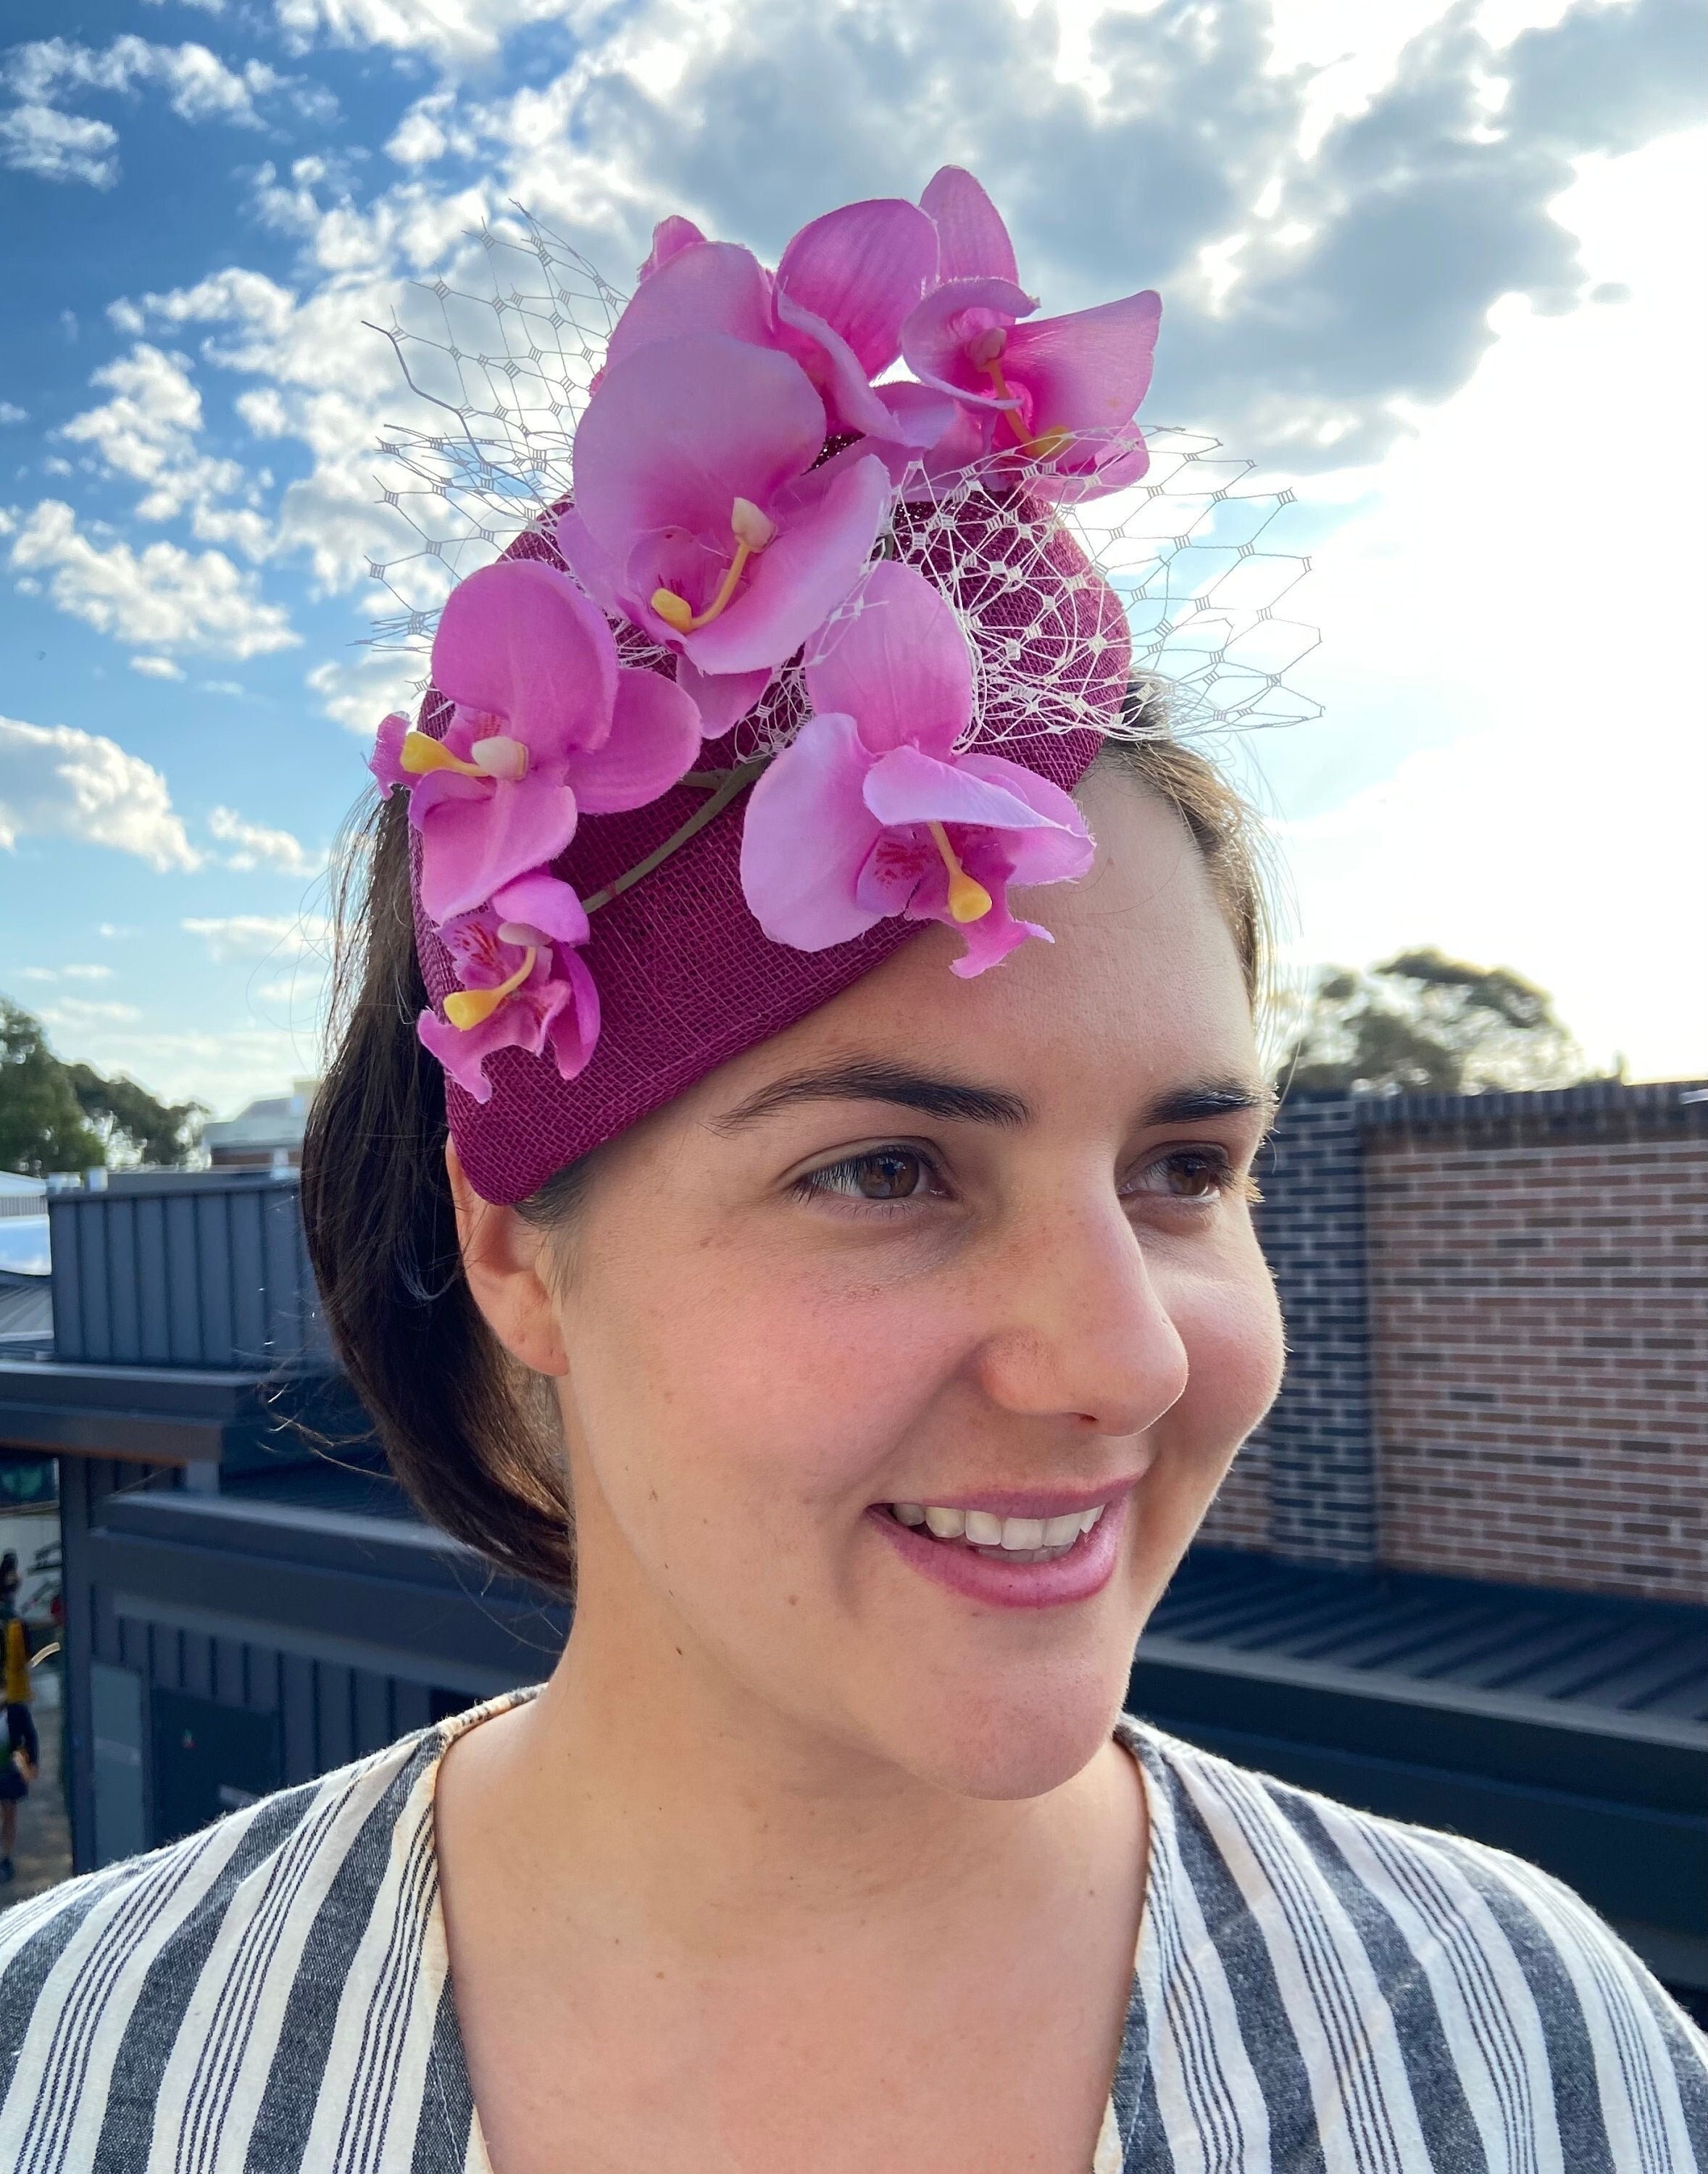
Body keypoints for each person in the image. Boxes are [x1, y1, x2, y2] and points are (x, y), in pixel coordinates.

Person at [0, 168, 1701, 2172]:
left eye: (1181, 1167)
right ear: (513, 1247)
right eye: (887, 1170)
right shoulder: (89, 2075)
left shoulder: (1523, 2056)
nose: (1126, 1362)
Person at [0, 1555, 33, 1888]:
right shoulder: (16, 1623)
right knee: (8, 1806)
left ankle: (5, 1859)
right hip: (12, 1709)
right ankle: (4, 1859)